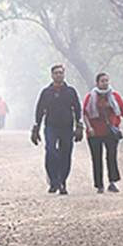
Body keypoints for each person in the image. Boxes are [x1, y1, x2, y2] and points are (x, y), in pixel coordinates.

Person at [81, 73, 123, 194]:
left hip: (110, 132)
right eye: (102, 81)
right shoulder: (91, 97)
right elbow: (85, 113)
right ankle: (99, 185)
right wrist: (89, 127)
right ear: (97, 83)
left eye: (106, 81)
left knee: (111, 157)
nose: (105, 83)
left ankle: (112, 182)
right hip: (94, 133)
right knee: (96, 158)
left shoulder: (114, 96)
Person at [32, 65, 83, 194]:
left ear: (64, 75)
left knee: (66, 154)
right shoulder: (46, 92)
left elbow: (77, 108)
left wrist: (79, 125)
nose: (58, 75)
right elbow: (40, 110)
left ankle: (62, 181)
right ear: (52, 75)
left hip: (67, 127)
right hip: (51, 126)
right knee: (51, 151)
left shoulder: (70, 91)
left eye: (60, 73)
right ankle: (53, 180)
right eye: (56, 73)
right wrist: (36, 127)